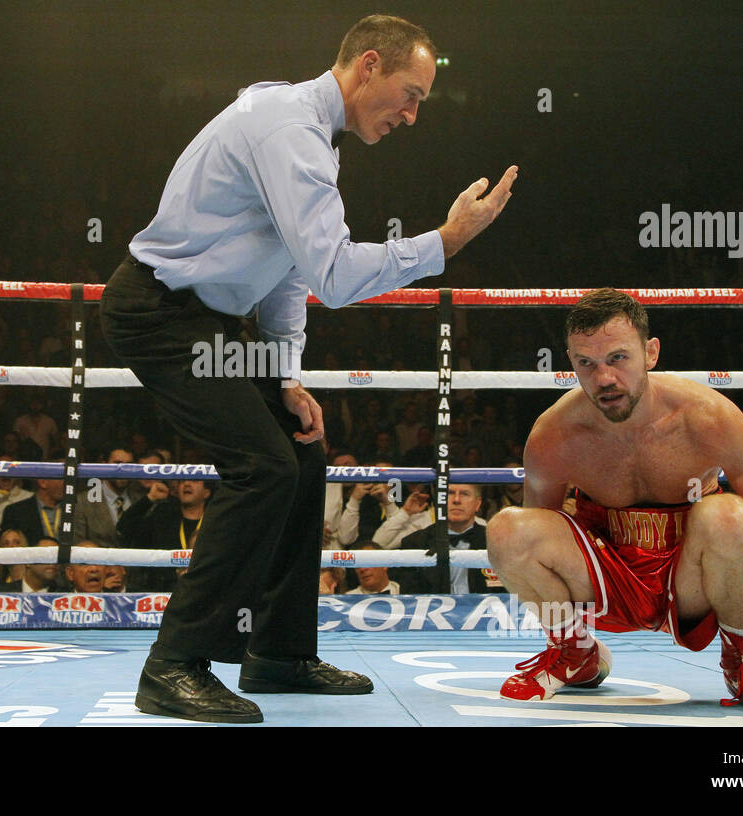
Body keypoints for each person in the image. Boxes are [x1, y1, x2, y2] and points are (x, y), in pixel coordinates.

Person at [99, 14, 517, 723]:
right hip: (159, 312)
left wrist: (286, 376)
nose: (413, 116)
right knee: (260, 467)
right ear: (369, 66)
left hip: (215, 319)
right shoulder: (289, 129)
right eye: (410, 94)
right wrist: (443, 243)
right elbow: (335, 271)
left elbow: (290, 268)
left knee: (301, 446)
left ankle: (279, 653)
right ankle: (174, 665)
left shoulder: (312, 134)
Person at [486, 289, 743, 716]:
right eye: (586, 363)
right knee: (509, 528)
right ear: (572, 362)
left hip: (692, 581)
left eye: (618, 358)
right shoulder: (555, 434)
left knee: (730, 514)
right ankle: (574, 653)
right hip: (609, 580)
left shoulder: (708, 417)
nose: (603, 378)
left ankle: (742, 662)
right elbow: (540, 535)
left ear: (651, 353)